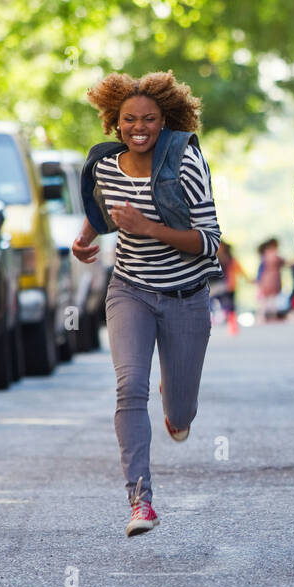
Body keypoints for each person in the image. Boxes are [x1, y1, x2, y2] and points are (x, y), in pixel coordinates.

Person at [72, 71, 222, 538]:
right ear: (115, 124)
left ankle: (175, 405)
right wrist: (83, 239)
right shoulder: (105, 167)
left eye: (150, 119)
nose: (139, 127)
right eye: (129, 120)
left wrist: (148, 226)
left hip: (185, 297)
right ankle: (141, 500)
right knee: (129, 386)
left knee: (181, 412)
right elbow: (101, 210)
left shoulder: (187, 166)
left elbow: (211, 243)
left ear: (165, 121)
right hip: (130, 291)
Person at [210, 240, 243, 335]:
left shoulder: (228, 259)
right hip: (217, 286)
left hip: (227, 286)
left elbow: (239, 270)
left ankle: (232, 326)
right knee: (213, 303)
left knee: (230, 306)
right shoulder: (214, 257)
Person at [256, 238, 284, 321]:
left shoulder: (265, 254)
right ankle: (269, 316)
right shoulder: (271, 253)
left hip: (267, 278)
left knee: (267, 299)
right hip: (271, 278)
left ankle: (265, 317)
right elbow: (281, 261)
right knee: (270, 299)